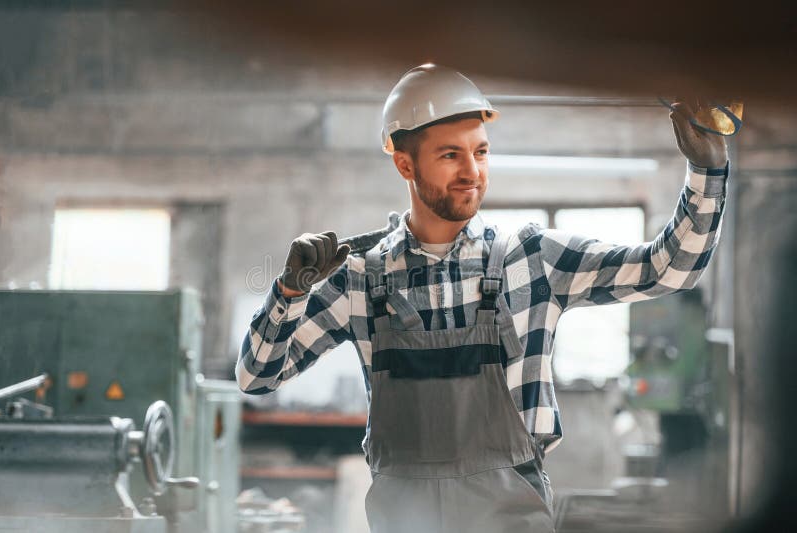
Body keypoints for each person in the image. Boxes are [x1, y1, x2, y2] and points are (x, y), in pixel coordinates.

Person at [236, 64, 729, 533]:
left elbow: (671, 268)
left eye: (481, 151)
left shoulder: (533, 259)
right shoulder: (361, 278)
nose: (472, 170)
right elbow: (256, 377)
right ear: (405, 163)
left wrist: (706, 172)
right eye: (450, 154)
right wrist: (289, 292)